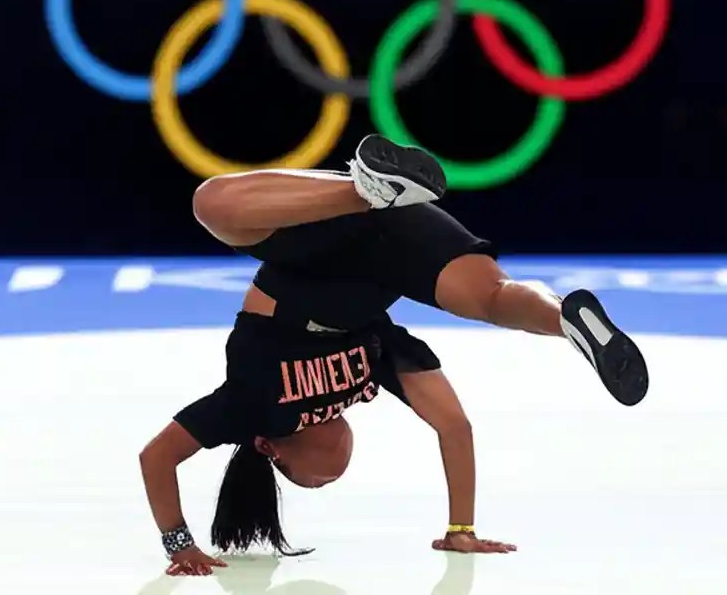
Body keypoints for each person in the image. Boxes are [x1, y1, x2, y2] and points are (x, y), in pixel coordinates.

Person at [138, 135, 649, 577]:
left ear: (273, 451)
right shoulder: (370, 366)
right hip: (389, 252)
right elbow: (453, 426)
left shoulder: (251, 408)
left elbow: (156, 456)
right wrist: (460, 528)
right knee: (493, 296)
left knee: (211, 203)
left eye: (313, 481)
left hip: (321, 247)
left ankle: (363, 189)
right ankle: (563, 320)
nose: (328, 477)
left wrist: (178, 544)